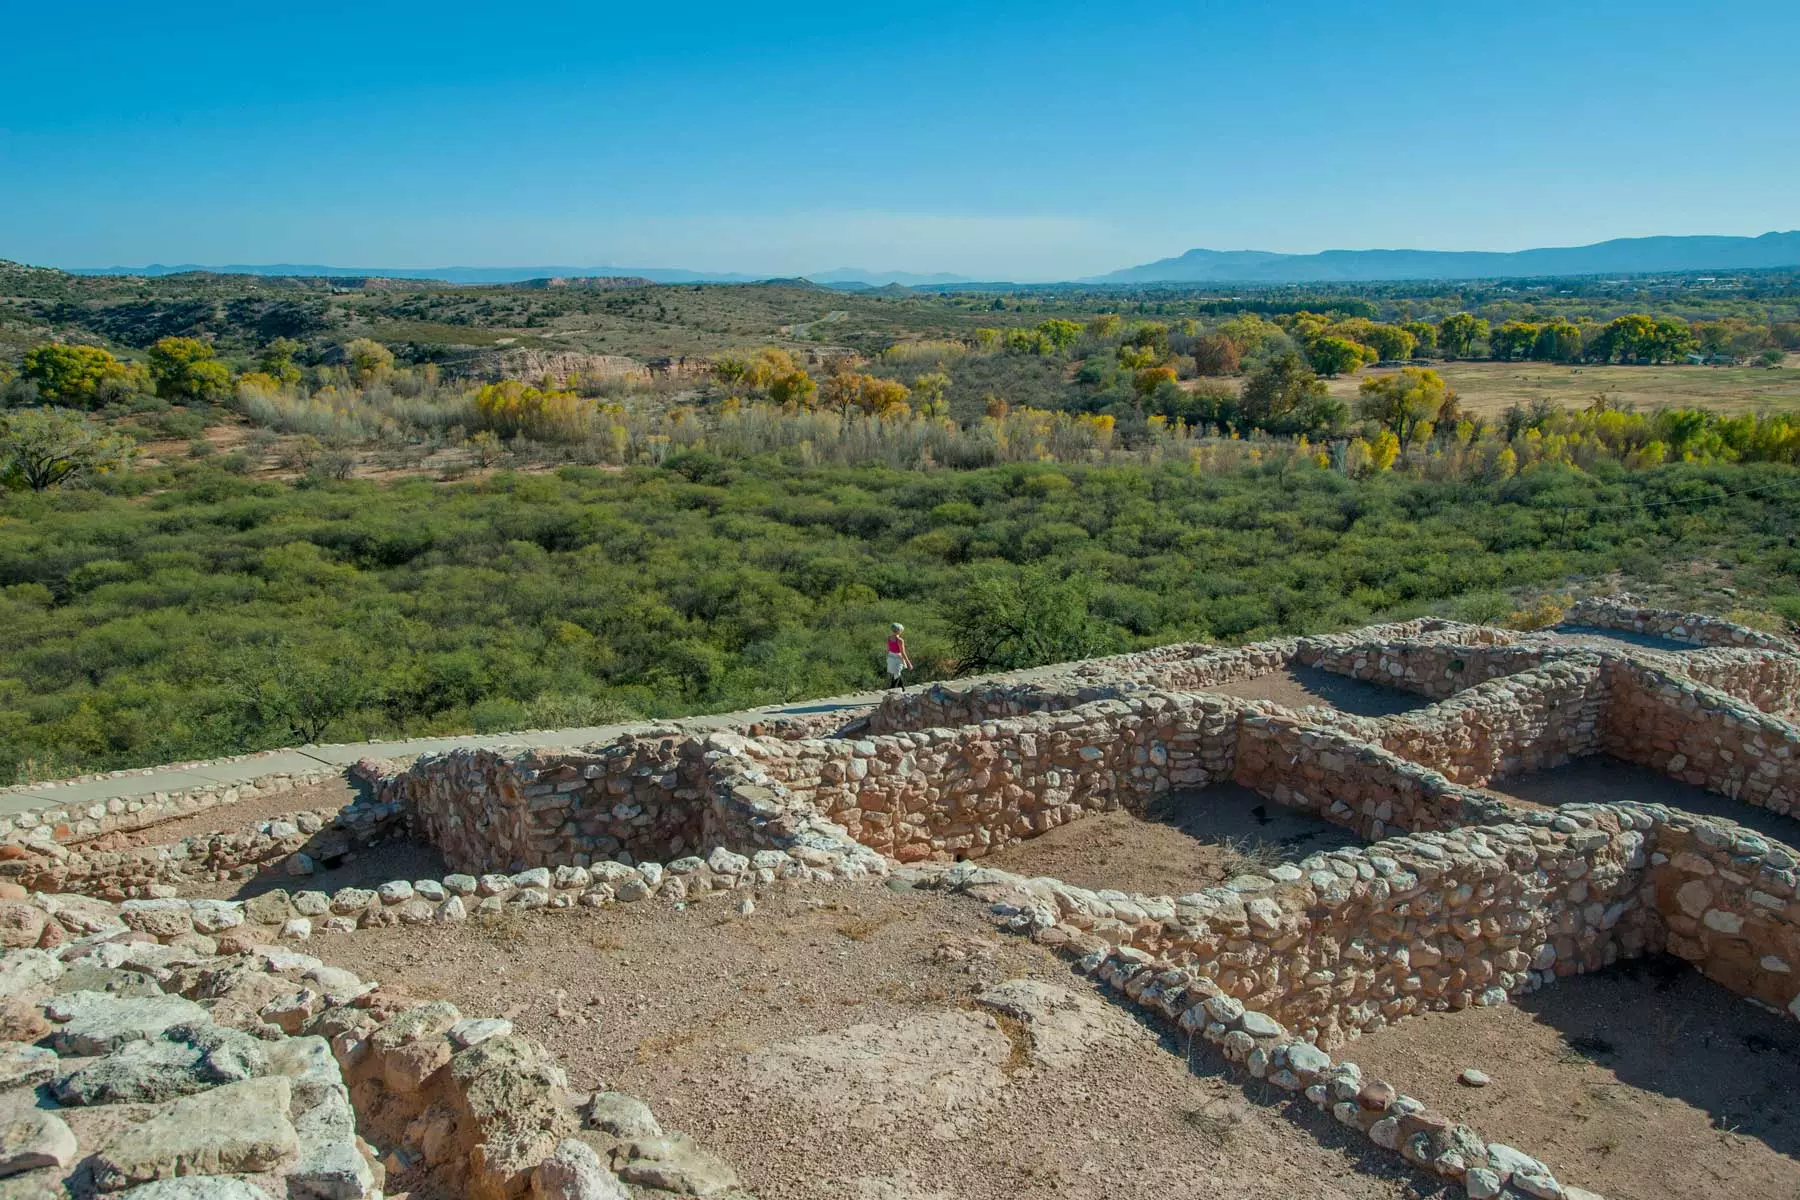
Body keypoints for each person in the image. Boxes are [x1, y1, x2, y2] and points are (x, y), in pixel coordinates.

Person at [886, 622, 913, 689]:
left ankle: (902, 689)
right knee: (897, 674)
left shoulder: (889, 638)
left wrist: (888, 658)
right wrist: (908, 663)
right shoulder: (900, 640)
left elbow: (888, 649)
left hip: (890, 656)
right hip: (897, 657)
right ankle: (892, 689)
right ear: (899, 631)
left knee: (896, 674)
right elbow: (903, 652)